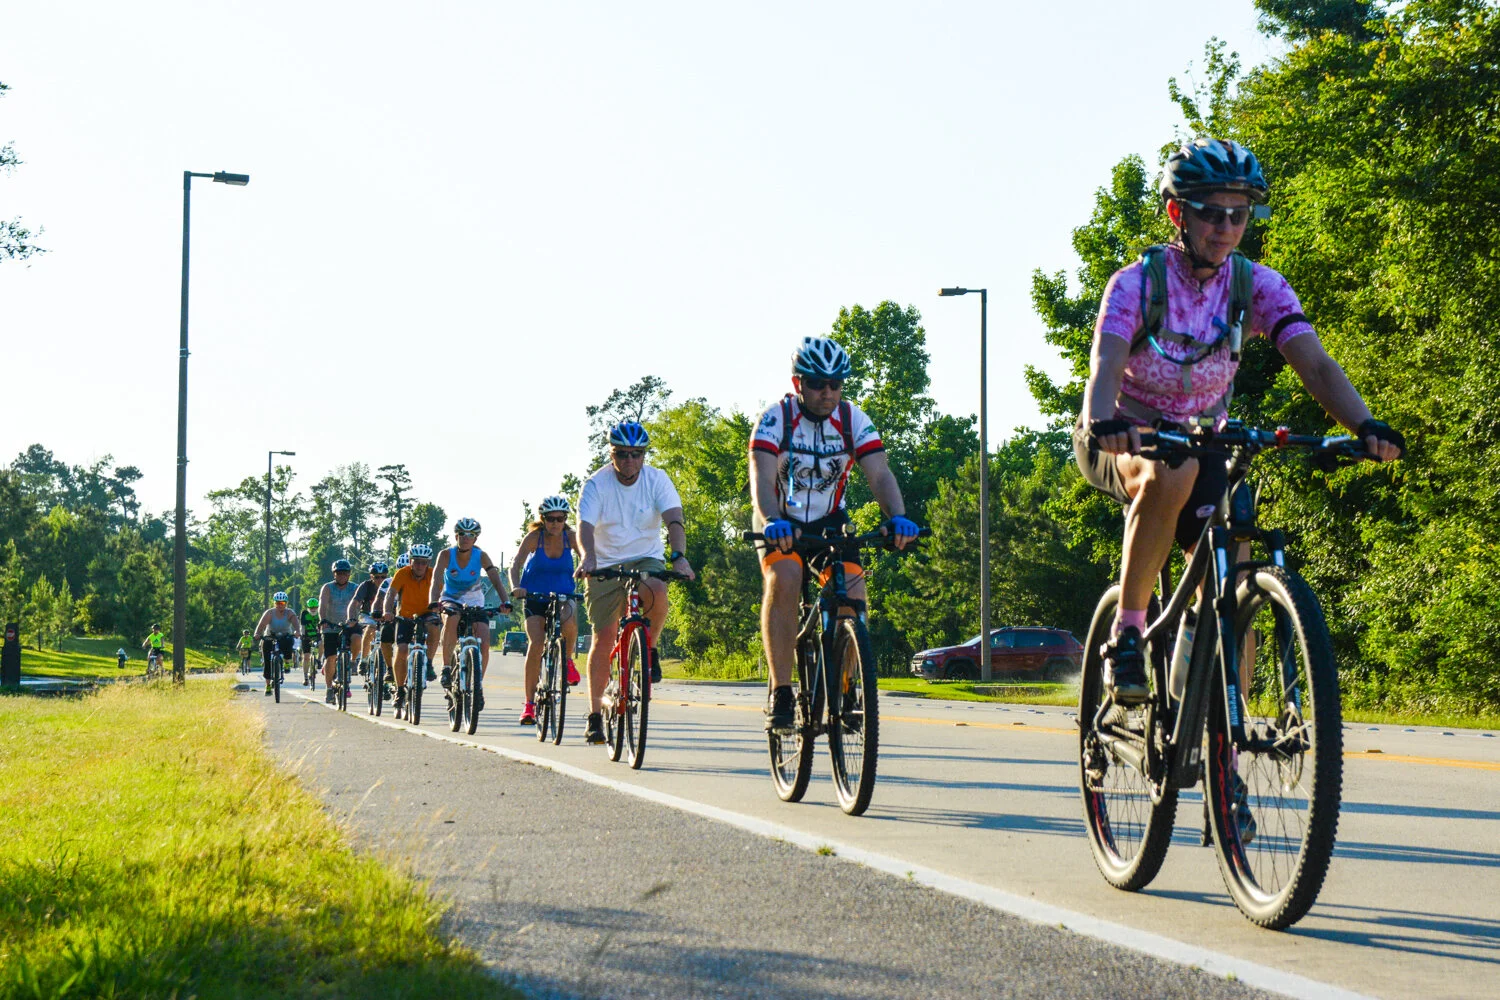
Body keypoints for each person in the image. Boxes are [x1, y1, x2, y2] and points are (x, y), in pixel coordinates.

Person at [1077, 137, 1403, 705]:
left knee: (1231, 588)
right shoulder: (1138, 284)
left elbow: (1317, 365)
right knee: (1169, 474)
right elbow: (1105, 364)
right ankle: (1127, 637)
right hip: (1122, 433)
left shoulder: (1257, 286)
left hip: (1205, 439)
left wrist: (1364, 424)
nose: (1226, 227)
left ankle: (1221, 736)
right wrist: (1104, 420)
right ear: (1178, 213)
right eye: (1211, 212)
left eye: (1239, 214)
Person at [750, 336, 920, 732]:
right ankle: (781, 690)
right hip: (780, 517)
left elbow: (879, 473)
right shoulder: (777, 418)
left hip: (829, 520)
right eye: (816, 384)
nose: (827, 392)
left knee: (854, 592)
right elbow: (760, 476)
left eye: (835, 384)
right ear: (798, 384)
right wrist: (771, 518)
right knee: (786, 578)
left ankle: (845, 689)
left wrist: (898, 517)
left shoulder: (852, 420)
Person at [575, 421, 696, 745]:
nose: (629, 460)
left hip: (646, 557)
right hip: (604, 563)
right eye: (622, 454)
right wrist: (588, 558)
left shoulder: (657, 480)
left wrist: (679, 557)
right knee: (603, 638)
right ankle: (595, 716)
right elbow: (584, 526)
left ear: (644, 455)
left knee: (657, 590)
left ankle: (650, 649)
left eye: (636, 454)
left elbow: (673, 519)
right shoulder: (596, 484)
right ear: (611, 453)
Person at [509, 494, 583, 725]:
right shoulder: (534, 538)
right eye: (550, 519)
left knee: (569, 620)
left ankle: (568, 660)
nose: (555, 523)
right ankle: (529, 705)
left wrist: (586, 569)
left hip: (563, 594)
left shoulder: (571, 537)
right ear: (543, 519)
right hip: (534, 596)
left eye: (560, 519)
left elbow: (587, 557)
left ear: (565, 520)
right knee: (537, 643)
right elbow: (516, 563)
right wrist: (516, 587)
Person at [429, 518, 512, 714]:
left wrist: (505, 601)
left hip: (475, 600)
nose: (466, 538)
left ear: (475, 539)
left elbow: (495, 580)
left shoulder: (481, 556)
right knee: (452, 618)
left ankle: (478, 686)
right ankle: (447, 668)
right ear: (456, 536)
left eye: (471, 535)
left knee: (483, 639)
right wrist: (434, 601)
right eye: (462, 534)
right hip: (450, 598)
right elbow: (436, 580)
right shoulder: (446, 555)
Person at [386, 543, 440, 715]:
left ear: (428, 563)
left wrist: (442, 606)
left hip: (427, 613)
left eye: (423, 562)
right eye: (416, 562)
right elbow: (391, 594)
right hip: (405, 615)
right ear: (410, 561)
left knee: (434, 626)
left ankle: (429, 663)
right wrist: (388, 611)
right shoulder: (402, 573)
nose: (420, 566)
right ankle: (400, 689)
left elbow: (444, 592)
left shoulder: (433, 574)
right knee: (401, 650)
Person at [317, 559, 363, 705]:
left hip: (350, 624)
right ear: (334, 574)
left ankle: (353, 661)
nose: (342, 576)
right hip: (331, 627)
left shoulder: (355, 588)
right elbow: (322, 604)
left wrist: (358, 618)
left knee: (357, 637)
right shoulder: (328, 588)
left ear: (349, 574)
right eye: (339, 573)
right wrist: (323, 620)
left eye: (345, 573)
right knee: (330, 658)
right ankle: (329, 688)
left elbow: (361, 604)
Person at [251, 592, 301, 695]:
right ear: (274, 603)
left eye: (282, 603)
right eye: (277, 603)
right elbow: (261, 625)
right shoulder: (270, 613)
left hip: (285, 636)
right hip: (270, 636)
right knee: (267, 660)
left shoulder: (289, 613)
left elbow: (295, 623)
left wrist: (297, 631)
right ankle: (268, 685)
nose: (280, 605)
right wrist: (257, 633)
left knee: (289, 642)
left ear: (286, 603)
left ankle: (287, 662)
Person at [349, 561, 391, 678]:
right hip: (367, 615)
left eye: (383, 576)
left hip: (385, 616)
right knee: (370, 628)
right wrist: (351, 617)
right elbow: (355, 602)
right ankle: (364, 660)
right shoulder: (365, 586)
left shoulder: (390, 584)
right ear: (371, 577)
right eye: (377, 577)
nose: (380, 580)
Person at [299, 598, 320, 672]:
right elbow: (302, 626)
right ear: (308, 608)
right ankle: (305, 676)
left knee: (322, 644)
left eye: (315, 607)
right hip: (307, 636)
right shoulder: (304, 613)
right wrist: (302, 634)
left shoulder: (320, 613)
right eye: (311, 608)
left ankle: (319, 660)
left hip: (317, 635)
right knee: (306, 657)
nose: (313, 609)